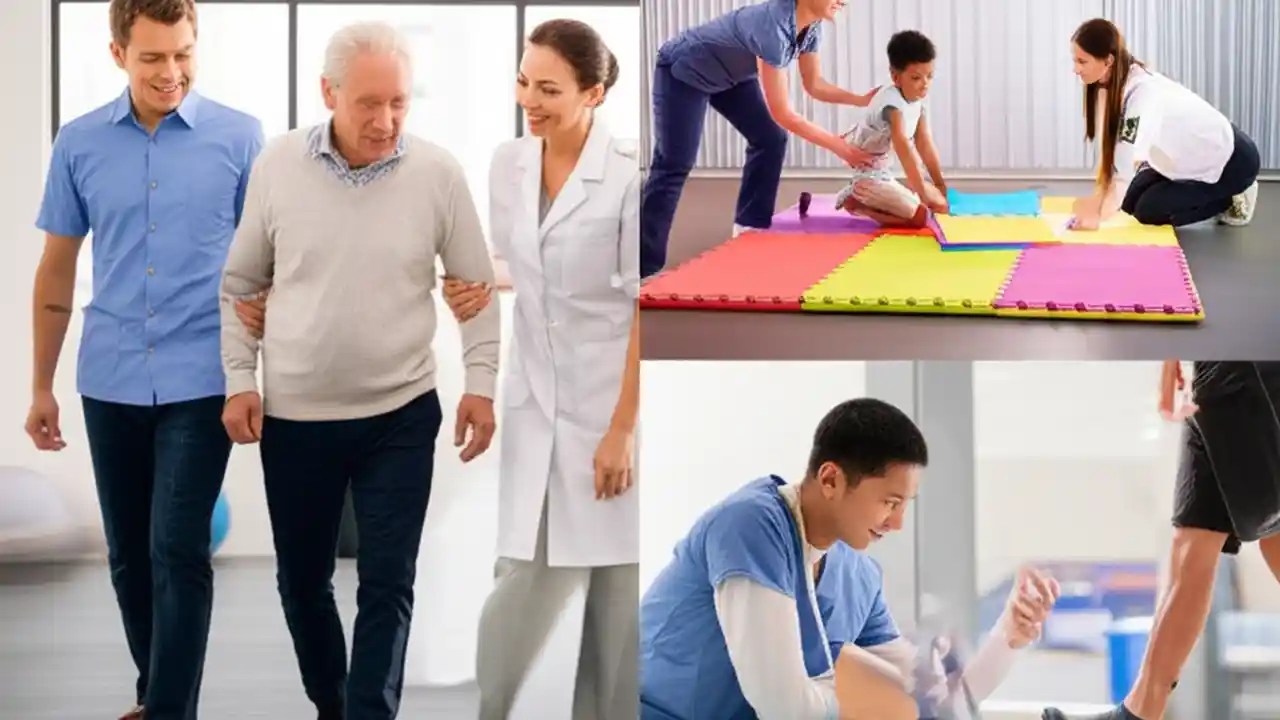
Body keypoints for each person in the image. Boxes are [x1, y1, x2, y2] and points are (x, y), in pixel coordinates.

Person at [217, 20, 499, 720]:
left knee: (388, 580)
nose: (386, 121)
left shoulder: (438, 173)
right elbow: (241, 284)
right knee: (303, 582)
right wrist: (239, 380)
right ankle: (333, 703)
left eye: (400, 103)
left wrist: (482, 386)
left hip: (400, 414)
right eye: (369, 104)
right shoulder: (277, 165)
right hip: (297, 416)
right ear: (327, 93)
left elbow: (475, 289)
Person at [24, 0, 263, 717]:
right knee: (128, 556)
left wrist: (256, 365)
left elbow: (269, 263)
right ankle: (156, 692)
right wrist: (42, 386)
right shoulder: (80, 143)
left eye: (184, 53)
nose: (172, 72)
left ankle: (167, 711)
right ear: (117, 53)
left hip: (202, 377)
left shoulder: (241, 138)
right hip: (110, 377)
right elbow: (57, 269)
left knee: (178, 550)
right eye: (153, 57)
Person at [437, 18, 641, 720]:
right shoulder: (508, 162)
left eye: (548, 88)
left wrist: (622, 429)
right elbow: (527, 262)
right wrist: (480, 280)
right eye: (524, 81)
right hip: (535, 401)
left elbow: (644, 308)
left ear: (595, 92)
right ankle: (492, 708)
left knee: (616, 600)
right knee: (522, 574)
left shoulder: (627, 176)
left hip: (609, 404)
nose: (530, 98)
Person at [639, 398, 1061, 720]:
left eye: (906, 504)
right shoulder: (751, 527)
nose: (897, 523)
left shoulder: (857, 575)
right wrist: (871, 696)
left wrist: (1009, 635)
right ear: (830, 479)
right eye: (889, 502)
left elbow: (937, 703)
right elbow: (783, 706)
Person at [1044, 361, 1280, 720]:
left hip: (1245, 361)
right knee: (1192, 544)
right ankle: (1137, 713)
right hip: (1214, 362)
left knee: (1273, 531)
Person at [640, 0, 881, 278]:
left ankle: (749, 227)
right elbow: (784, 113)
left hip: (731, 76)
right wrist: (841, 147)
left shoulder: (812, 27)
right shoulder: (773, 27)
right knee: (674, 163)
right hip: (684, 71)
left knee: (770, 139)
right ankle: (645, 267)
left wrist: (860, 100)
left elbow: (814, 85)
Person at [1067, 18, 1260, 231]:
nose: (1076, 69)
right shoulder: (1106, 87)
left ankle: (1233, 197)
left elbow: (1125, 159)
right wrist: (1097, 200)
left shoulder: (1142, 93)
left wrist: (1098, 217)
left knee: (1148, 211)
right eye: (1075, 61)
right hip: (1187, 156)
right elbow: (1111, 153)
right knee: (1130, 202)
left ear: (1108, 61)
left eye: (1082, 62)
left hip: (1232, 161)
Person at [832, 29, 949, 229]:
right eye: (916, 78)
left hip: (884, 173)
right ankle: (857, 200)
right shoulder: (892, 105)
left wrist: (939, 184)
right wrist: (920, 192)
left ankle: (879, 200)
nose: (925, 85)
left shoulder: (918, 102)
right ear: (896, 77)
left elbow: (924, 143)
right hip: (867, 174)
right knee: (921, 218)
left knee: (941, 206)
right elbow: (904, 148)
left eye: (929, 76)